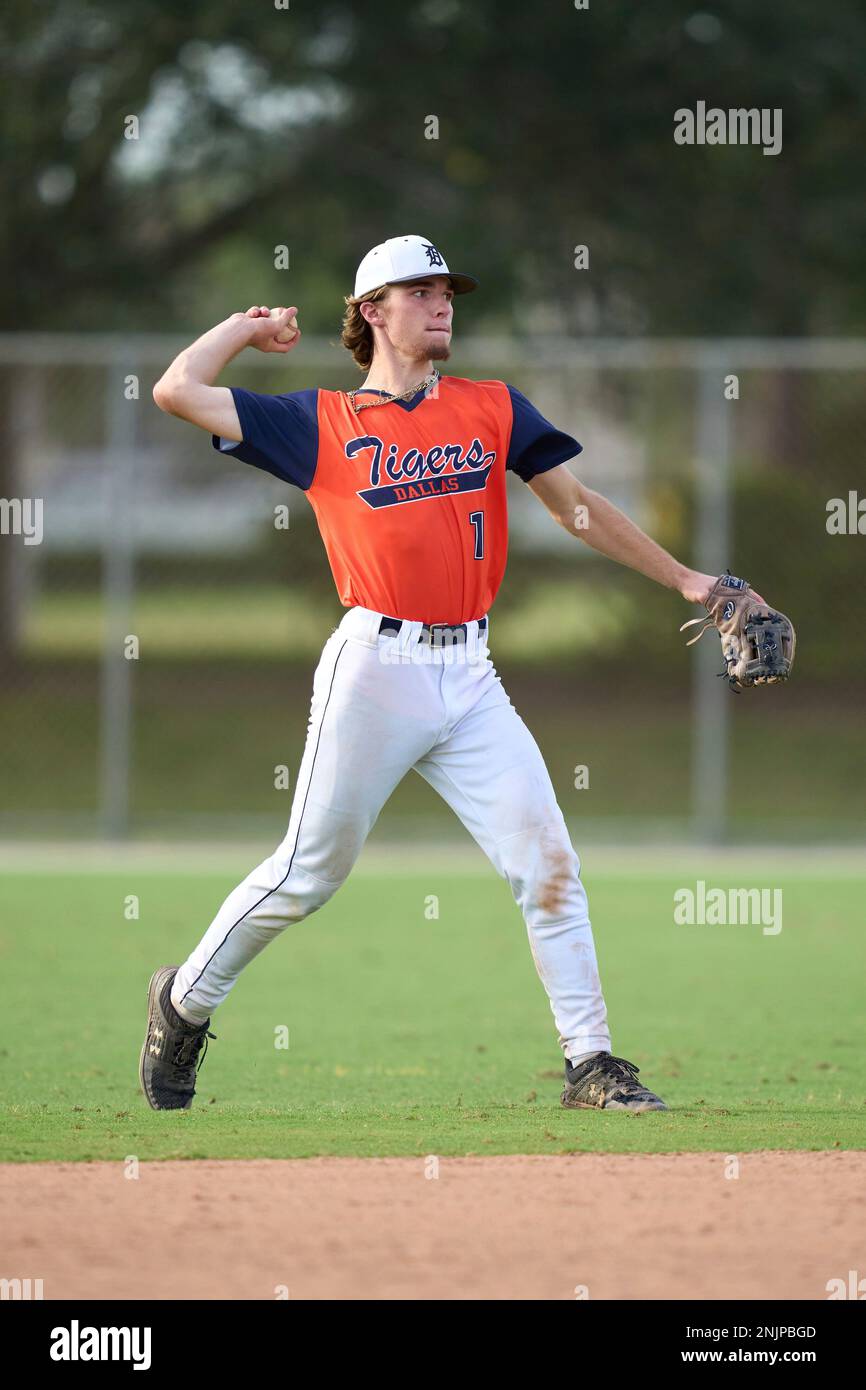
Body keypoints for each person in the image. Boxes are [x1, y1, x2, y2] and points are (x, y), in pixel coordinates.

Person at [140, 234, 717, 1114]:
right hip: (374, 666)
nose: (443, 303)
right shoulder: (319, 421)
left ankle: (591, 1063)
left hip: (472, 672)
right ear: (372, 313)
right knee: (307, 874)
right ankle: (183, 1003)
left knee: (549, 865)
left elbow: (579, 509)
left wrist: (692, 581)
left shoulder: (492, 406)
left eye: (449, 289)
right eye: (420, 291)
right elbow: (176, 390)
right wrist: (245, 327)